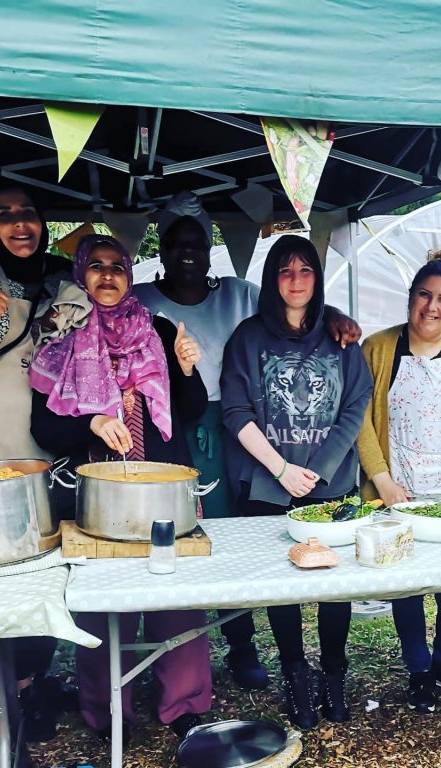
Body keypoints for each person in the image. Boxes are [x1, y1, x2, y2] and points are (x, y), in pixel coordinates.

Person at [134, 191, 362, 691]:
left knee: (233, 536)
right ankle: (174, 657)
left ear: (211, 246)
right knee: (184, 534)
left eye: (197, 243)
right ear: (163, 249)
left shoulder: (236, 293)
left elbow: (296, 299)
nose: (187, 253)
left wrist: (341, 317)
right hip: (169, 425)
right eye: (177, 244)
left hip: (240, 433)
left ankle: (241, 647)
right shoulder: (139, 299)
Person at [29, 234, 212, 741]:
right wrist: (89, 423)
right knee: (104, 607)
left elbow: (188, 409)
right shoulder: (65, 333)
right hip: (97, 497)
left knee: (174, 599)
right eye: (97, 267)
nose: (108, 276)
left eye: (117, 267)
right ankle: (110, 713)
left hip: (161, 489)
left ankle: (185, 704)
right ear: (81, 274)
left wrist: (188, 369)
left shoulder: (155, 328)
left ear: (129, 276)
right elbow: (43, 428)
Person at [221, 234, 373, 730]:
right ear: (271, 278)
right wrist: (280, 468)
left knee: (334, 589)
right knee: (281, 589)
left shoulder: (341, 337)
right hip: (267, 487)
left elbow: (355, 403)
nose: (295, 281)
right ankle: (294, 672)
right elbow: (235, 411)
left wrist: (322, 466)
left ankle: (333, 671)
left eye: (305, 270)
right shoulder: (247, 337)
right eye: (285, 271)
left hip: (330, 486)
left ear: (317, 277)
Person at [357, 249, 441, 713]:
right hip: (402, 487)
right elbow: (360, 422)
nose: (431, 307)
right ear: (410, 296)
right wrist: (382, 479)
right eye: (424, 295)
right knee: (407, 581)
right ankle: (417, 667)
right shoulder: (378, 349)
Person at [0, 178, 75, 742]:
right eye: (4, 213)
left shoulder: (61, 277)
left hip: (45, 457)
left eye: (28, 212)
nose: (18, 224)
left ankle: (34, 681)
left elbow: (116, 309)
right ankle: (8, 694)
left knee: (48, 578)